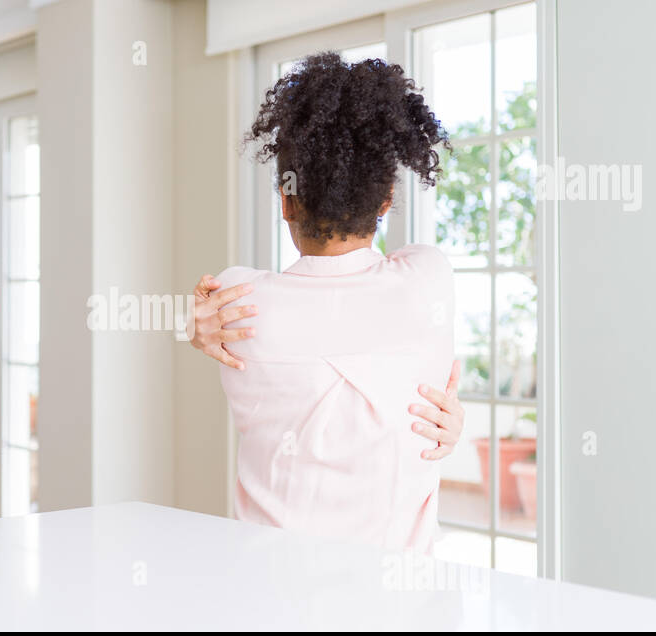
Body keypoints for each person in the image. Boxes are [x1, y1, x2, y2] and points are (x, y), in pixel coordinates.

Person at [187, 52, 463, 552]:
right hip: (403, 609)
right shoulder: (428, 280)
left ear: (286, 201)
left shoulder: (237, 299)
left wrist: (189, 322)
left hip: (270, 596)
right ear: (385, 204)